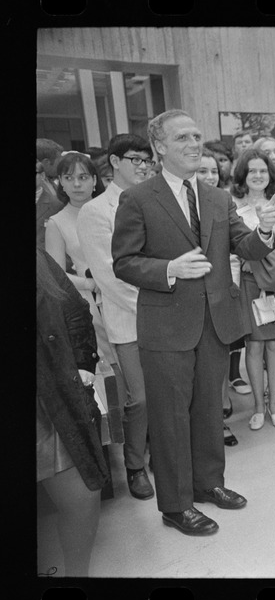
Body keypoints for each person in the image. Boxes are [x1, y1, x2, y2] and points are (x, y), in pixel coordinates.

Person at [112, 109, 275, 537]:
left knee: (209, 410)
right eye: (182, 137)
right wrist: (170, 268)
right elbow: (124, 262)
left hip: (214, 322)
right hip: (167, 327)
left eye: (197, 136)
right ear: (159, 147)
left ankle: (209, 484)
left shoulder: (217, 197)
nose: (193, 144)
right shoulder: (138, 199)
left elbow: (243, 244)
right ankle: (175, 505)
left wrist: (263, 233)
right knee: (169, 419)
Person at [77, 134, 156, 498]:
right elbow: (108, 275)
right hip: (130, 318)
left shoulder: (155, 200)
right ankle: (136, 465)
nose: (142, 165)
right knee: (138, 397)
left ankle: (164, 456)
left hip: (167, 315)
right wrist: (153, 309)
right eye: (135, 159)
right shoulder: (95, 212)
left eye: (147, 160)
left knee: (167, 392)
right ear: (114, 161)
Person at [37, 248, 110, 576]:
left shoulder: (34, 255)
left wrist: (83, 362)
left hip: (48, 401)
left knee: (83, 497)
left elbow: (75, 308)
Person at [231, 148, 275, 431]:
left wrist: (265, 260)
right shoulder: (230, 203)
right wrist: (247, 261)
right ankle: (258, 406)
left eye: (262, 170)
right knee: (254, 346)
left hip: (273, 280)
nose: (257, 175)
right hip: (246, 282)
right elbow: (230, 244)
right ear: (242, 175)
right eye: (252, 170)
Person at [44, 152, 112, 363]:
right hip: (91, 298)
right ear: (60, 183)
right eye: (68, 178)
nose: (76, 184)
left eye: (82, 177)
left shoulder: (114, 208)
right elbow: (55, 274)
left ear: (94, 180)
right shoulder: (57, 222)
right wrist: (89, 283)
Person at [194, 149, 241, 447]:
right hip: (185, 301)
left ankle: (218, 421)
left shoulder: (222, 201)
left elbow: (241, 241)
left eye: (214, 171)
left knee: (217, 368)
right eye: (203, 171)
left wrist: (264, 231)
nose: (210, 176)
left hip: (219, 297)